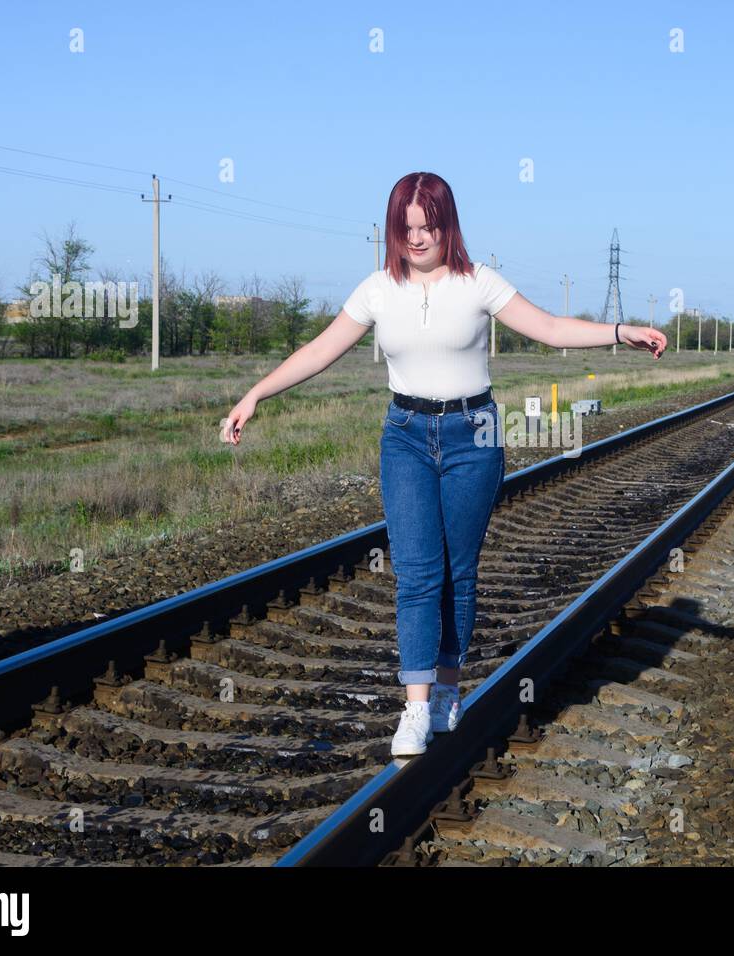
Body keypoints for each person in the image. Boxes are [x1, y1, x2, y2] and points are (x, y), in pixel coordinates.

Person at [223, 171, 666, 757]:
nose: (417, 238)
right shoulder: (378, 289)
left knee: (458, 571)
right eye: (406, 228)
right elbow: (320, 350)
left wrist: (619, 330)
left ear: (446, 223)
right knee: (415, 573)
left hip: (473, 435)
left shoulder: (478, 282)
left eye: (427, 226)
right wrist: (255, 395)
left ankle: (446, 693)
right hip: (405, 435)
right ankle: (413, 708)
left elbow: (551, 329)